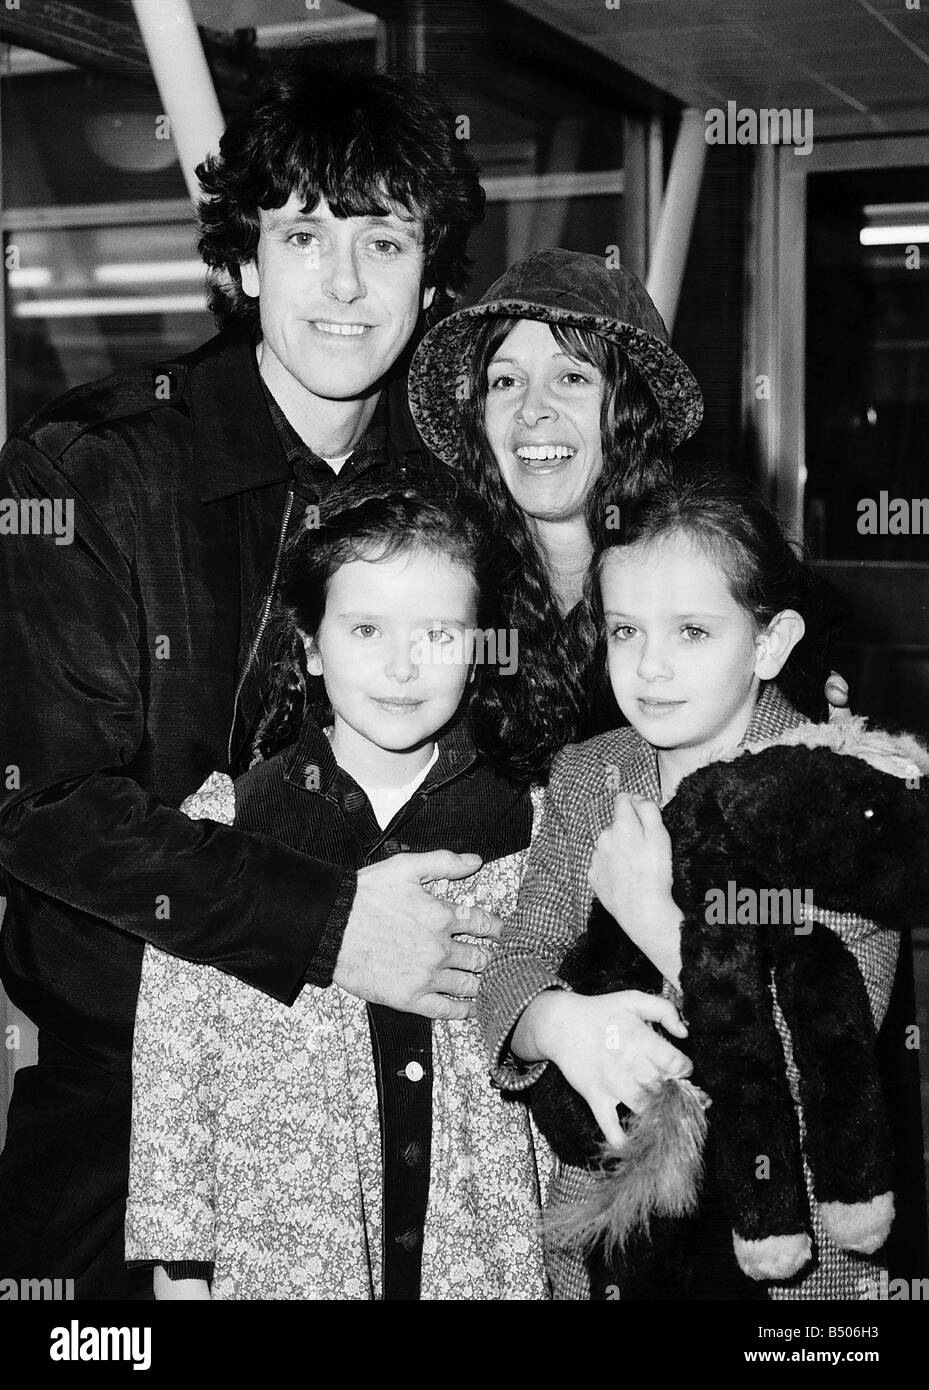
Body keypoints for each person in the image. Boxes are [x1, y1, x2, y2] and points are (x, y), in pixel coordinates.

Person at [0, 59, 488, 1300]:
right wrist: (329, 924)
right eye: (303, 232)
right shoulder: (85, 472)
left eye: (382, 239)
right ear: (245, 261)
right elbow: (45, 804)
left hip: (401, 1094)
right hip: (124, 1104)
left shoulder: (450, 500)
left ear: (429, 276)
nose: (341, 282)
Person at [478, 468, 900, 1300]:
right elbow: (515, 961)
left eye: (694, 633)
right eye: (626, 630)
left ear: (770, 643)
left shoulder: (841, 792)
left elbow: (832, 1035)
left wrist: (651, 917)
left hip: (789, 1245)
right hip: (616, 1237)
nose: (651, 668)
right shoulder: (591, 774)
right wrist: (554, 1021)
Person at [126, 481, 550, 1300]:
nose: (401, 666)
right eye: (364, 629)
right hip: (287, 1257)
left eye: (438, 633)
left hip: (480, 1254)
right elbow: (176, 1071)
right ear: (312, 646)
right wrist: (179, 1268)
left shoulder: (530, 828)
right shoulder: (224, 825)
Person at [407, 248, 848, 781]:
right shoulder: (441, 576)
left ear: (631, 409)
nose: (531, 409)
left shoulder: (721, 578)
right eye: (505, 381)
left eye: (571, 377)